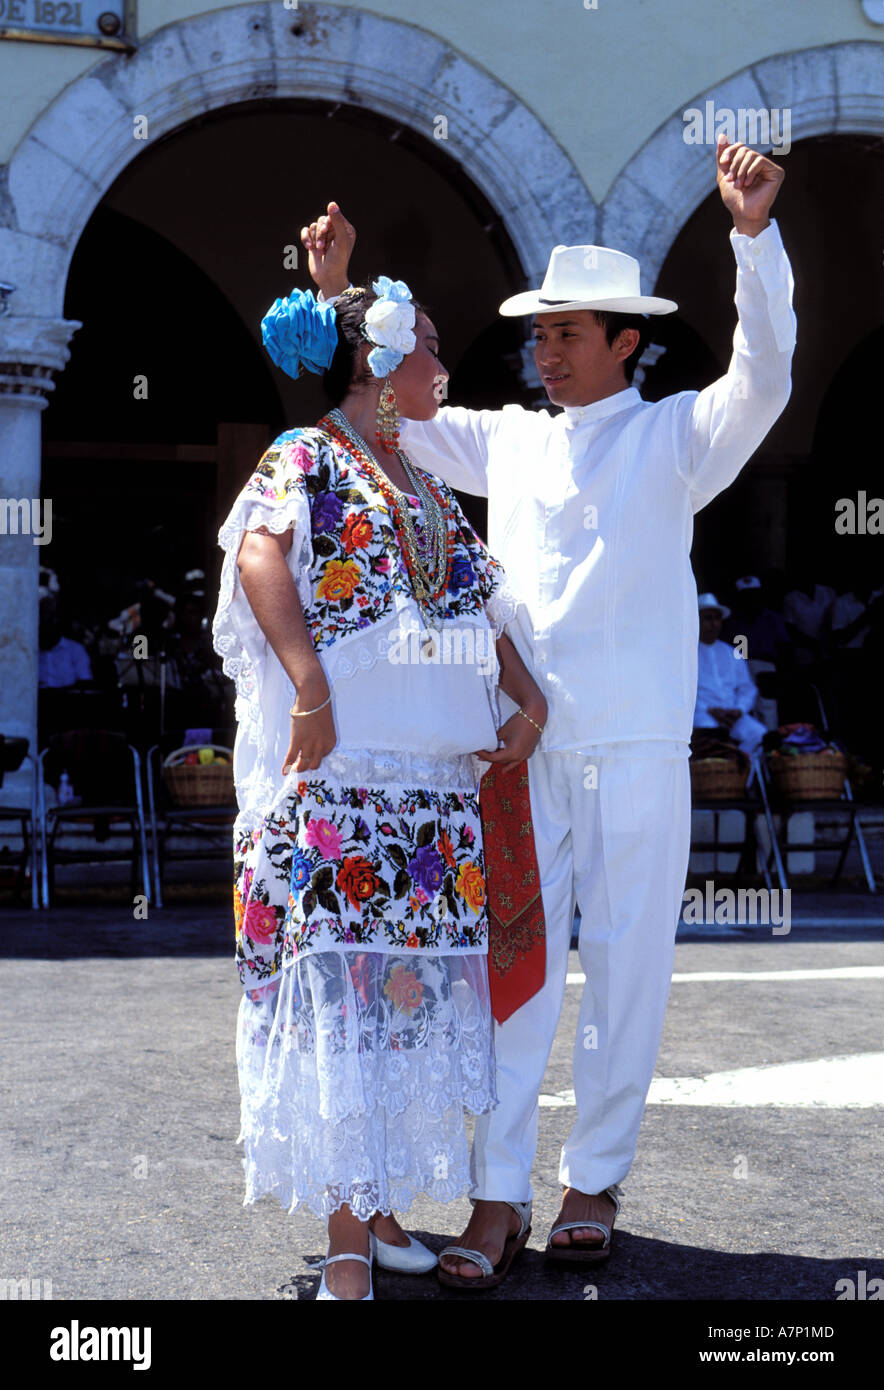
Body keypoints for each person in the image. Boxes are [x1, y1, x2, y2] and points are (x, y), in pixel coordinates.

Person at [302, 129, 795, 1285]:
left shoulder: (677, 438)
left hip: (631, 747)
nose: (545, 351)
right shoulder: (503, 441)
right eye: (537, 334)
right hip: (512, 752)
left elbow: (763, 376)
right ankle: (494, 1198)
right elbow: (386, 416)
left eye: (567, 333)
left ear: (625, 341)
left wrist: (753, 238)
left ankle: (592, 1180)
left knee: (629, 971)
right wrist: (337, 296)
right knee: (507, 972)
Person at [212, 274, 546, 1299]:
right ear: (380, 362)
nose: (445, 367)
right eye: (431, 347)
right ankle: (349, 1241)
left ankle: (381, 1211)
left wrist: (527, 704)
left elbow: (481, 600)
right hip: (342, 789)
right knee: (345, 1001)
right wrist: (307, 684)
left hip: (431, 804)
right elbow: (261, 549)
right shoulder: (307, 455)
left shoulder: (425, 485)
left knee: (402, 1008)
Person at [693, 593, 766, 755]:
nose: (714, 624)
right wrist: (709, 709)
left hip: (733, 715)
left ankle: (741, 777)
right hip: (703, 715)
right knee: (710, 734)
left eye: (717, 619)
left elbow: (747, 688)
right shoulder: (687, 654)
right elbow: (681, 692)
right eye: (708, 618)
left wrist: (739, 709)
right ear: (696, 620)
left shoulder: (732, 652)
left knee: (759, 734)